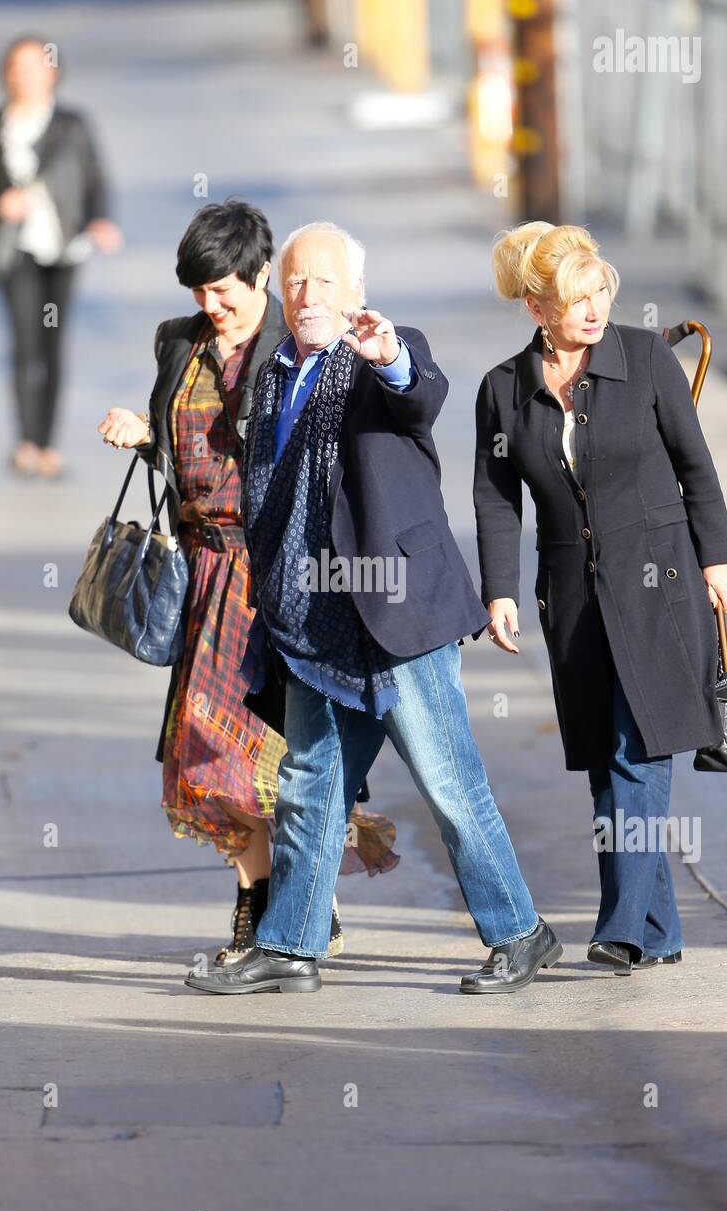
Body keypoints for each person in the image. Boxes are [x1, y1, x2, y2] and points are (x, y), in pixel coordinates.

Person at [184, 220, 560, 997]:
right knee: (310, 784)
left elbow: (418, 391)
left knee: (448, 783)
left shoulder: (381, 350)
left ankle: (521, 933)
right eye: (295, 281)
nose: (308, 293)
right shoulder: (275, 373)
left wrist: (386, 354)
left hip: (398, 614)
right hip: (319, 623)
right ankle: (290, 946)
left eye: (325, 280)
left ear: (356, 290)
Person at [97, 202, 397, 966]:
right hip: (205, 577)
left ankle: (287, 908)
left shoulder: (293, 347)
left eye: (225, 289)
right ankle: (267, 906)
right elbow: (182, 445)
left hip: (278, 576)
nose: (212, 305)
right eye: (199, 290)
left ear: (263, 275)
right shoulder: (178, 342)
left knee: (270, 754)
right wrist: (146, 435)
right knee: (204, 758)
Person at [474, 221, 727, 976]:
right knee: (604, 758)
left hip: (662, 582)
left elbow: (696, 465)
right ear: (537, 308)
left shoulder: (647, 357)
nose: (593, 309)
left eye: (600, 291)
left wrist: (717, 558)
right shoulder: (503, 390)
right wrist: (499, 592)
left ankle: (619, 924)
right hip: (572, 598)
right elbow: (495, 501)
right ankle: (657, 931)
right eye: (575, 297)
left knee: (637, 747)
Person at [0, 35, 121, 479]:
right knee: (23, 344)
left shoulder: (72, 125)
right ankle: (26, 442)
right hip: (14, 252)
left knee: (53, 345)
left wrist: (100, 221)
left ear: (53, 71)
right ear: (6, 73)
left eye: (35, 66)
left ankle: (48, 443)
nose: (25, 75)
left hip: (64, 249)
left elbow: (95, 179)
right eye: (17, 67)